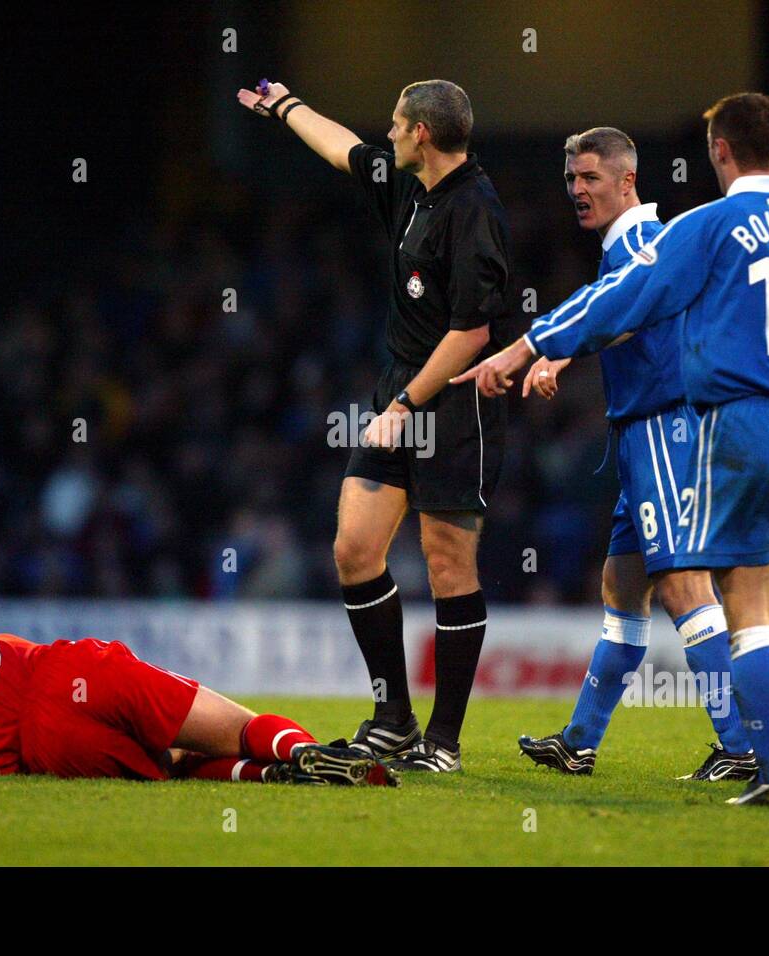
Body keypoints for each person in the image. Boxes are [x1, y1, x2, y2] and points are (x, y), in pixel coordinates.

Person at [455, 93, 769, 806]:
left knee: (727, 594)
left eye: (587, 178)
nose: (576, 190)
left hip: (717, 422)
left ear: (720, 152)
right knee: (653, 583)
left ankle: (761, 756)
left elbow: (631, 298)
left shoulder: (702, 226)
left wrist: (534, 345)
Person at [236, 78, 513, 772]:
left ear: (422, 133)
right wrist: (287, 107)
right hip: (400, 395)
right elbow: (343, 151)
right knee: (355, 548)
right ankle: (392, 717)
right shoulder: (408, 186)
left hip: (451, 404)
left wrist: (405, 407)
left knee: (448, 565)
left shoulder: (473, 207)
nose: (387, 132)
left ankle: (442, 743)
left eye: (396, 123)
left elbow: (472, 331)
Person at [514, 127, 755, 782]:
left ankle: (741, 743)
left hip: (664, 430)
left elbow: (629, 312)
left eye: (590, 178)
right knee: (622, 586)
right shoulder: (628, 248)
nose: (577, 191)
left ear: (628, 181)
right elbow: (623, 318)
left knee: (682, 583)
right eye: (571, 180)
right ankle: (581, 740)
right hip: (640, 437)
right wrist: (566, 351)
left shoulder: (645, 245)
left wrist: (550, 347)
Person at [0, 633, 398, 786]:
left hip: (45, 743)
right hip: (77, 670)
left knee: (177, 762)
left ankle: (274, 777)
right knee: (240, 726)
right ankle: (301, 751)